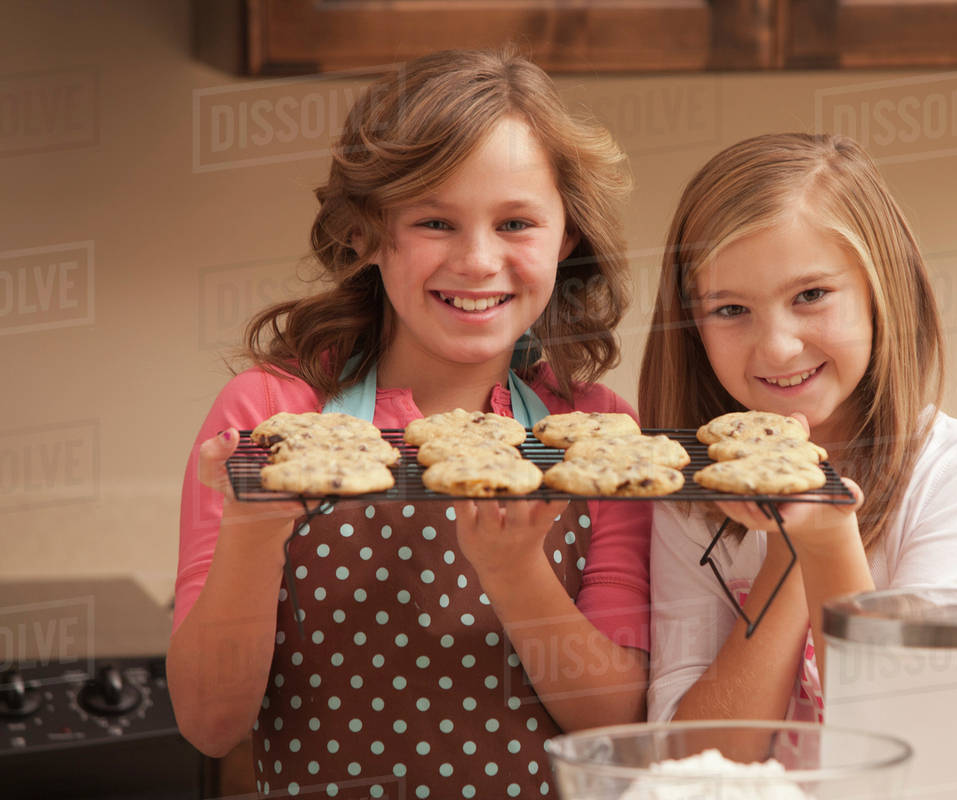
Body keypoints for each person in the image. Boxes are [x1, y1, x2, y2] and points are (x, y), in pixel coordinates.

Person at [168, 49, 650, 799]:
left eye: (516, 222)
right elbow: (209, 722)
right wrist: (252, 534)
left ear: (567, 237)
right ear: (365, 233)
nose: (478, 259)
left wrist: (519, 575)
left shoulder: (597, 432)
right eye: (435, 221)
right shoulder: (271, 418)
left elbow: (617, 726)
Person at [637, 133, 957, 726]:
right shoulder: (692, 504)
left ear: (882, 292)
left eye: (811, 295)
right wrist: (787, 550)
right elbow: (693, 760)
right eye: (731, 309)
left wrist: (826, 538)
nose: (778, 347)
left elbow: (913, 738)